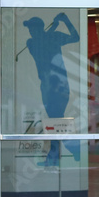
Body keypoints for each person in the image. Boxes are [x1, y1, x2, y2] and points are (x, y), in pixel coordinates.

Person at [24, 13, 80, 166]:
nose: (30, 32)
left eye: (32, 28)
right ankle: (69, 150)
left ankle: (56, 156)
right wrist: (59, 23)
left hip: (58, 85)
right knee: (56, 120)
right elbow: (43, 40)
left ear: (38, 28)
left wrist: (65, 21)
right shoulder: (32, 43)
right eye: (29, 29)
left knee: (56, 120)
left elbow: (76, 38)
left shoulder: (50, 37)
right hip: (47, 86)